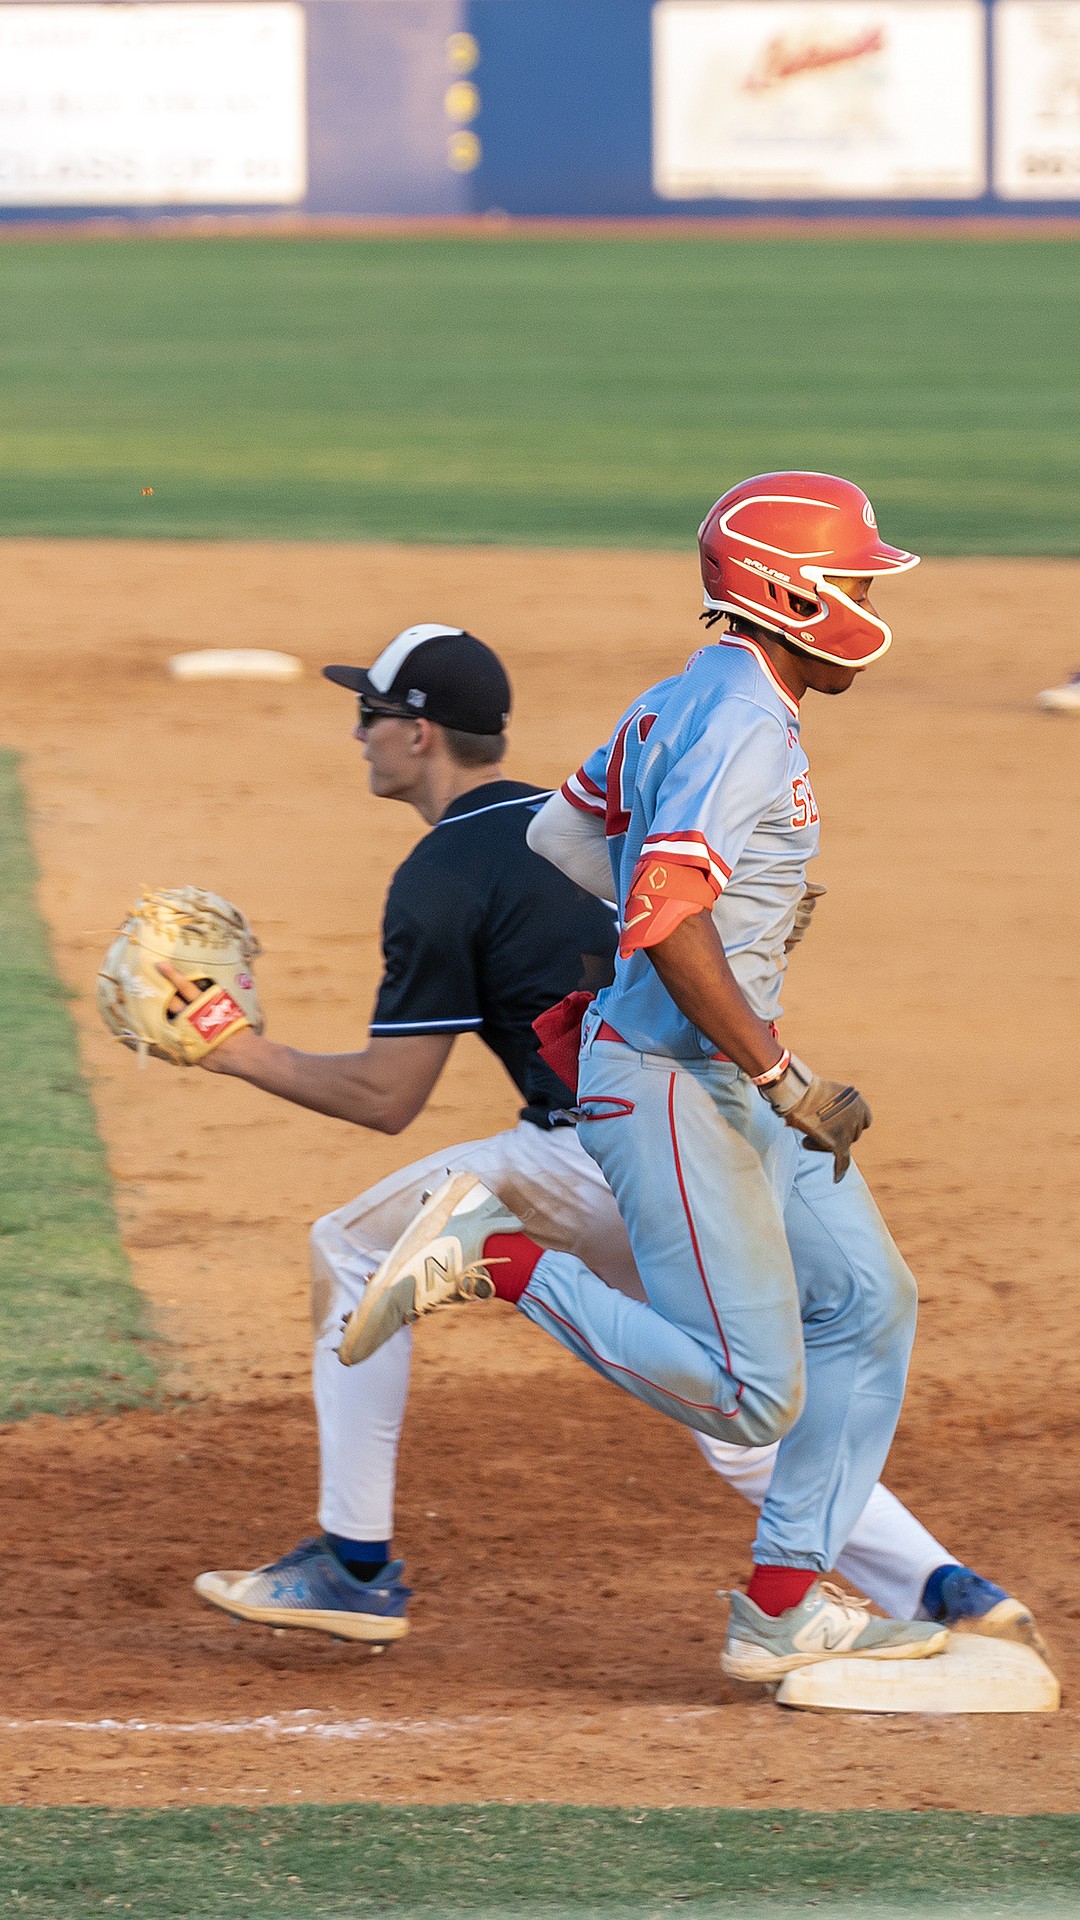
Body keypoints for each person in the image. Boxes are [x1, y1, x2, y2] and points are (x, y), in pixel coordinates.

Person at [179, 614, 1040, 1664]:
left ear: (420, 733)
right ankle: (939, 1584)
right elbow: (649, 885)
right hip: (687, 1114)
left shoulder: (448, 872)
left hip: (607, 1142)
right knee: (739, 1380)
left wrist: (227, 1048)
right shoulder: (594, 806)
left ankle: (354, 1563)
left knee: (358, 1248)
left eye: (371, 713)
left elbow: (386, 1095)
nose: (360, 733)